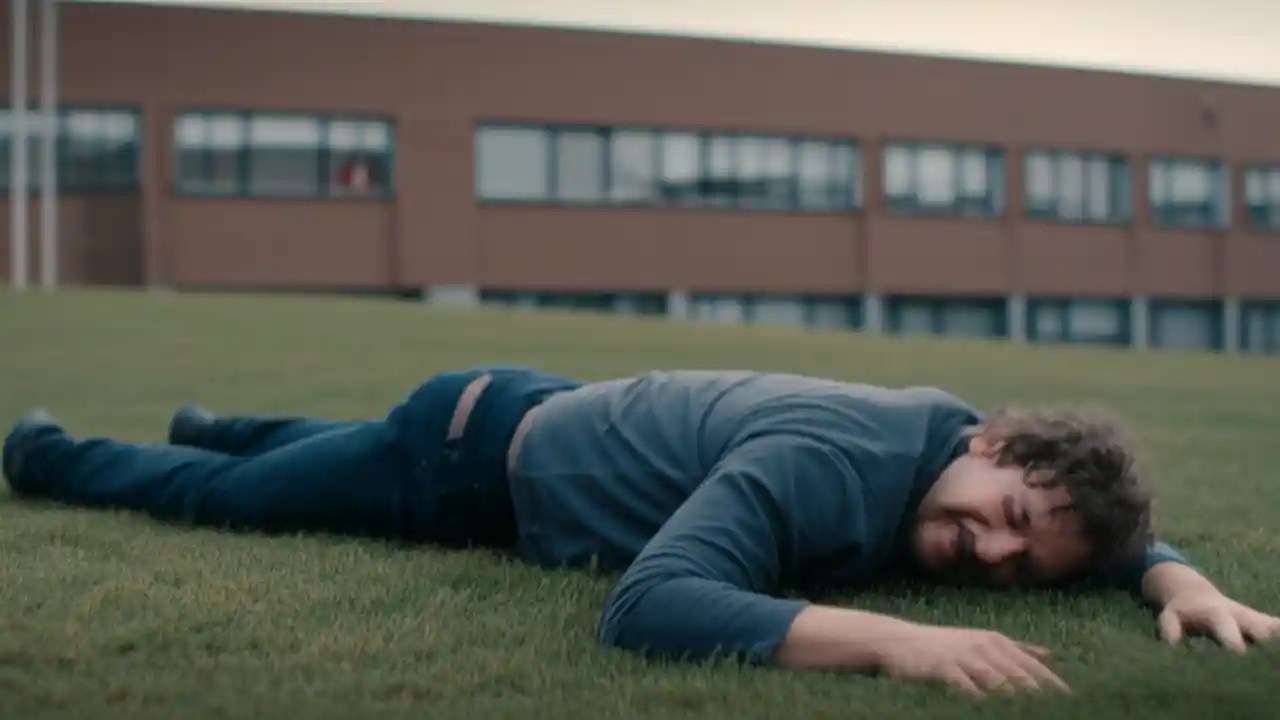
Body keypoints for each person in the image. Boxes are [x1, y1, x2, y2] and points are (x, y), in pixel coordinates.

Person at [4, 365, 1277, 696]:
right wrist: (899, 642)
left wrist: (1183, 580)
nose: (993, 557)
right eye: (1002, 520)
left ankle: (221, 420)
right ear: (991, 443)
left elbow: (1097, 531)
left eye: (1024, 562)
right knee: (236, 504)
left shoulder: (956, 452)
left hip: (539, 412)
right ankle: (48, 450)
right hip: (467, 458)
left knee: (310, 459)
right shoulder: (831, 466)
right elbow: (648, 604)